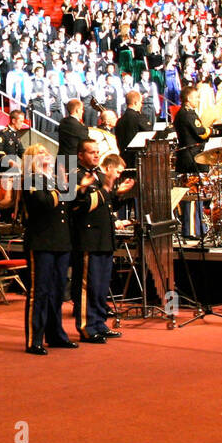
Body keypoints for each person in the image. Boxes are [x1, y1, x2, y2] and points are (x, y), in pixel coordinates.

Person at [69, 142, 134, 343]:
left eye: (98, 152)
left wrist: (117, 193)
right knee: (88, 285)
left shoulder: (97, 174)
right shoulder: (77, 176)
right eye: (92, 152)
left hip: (103, 236)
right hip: (88, 238)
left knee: (101, 285)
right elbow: (83, 205)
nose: (96, 155)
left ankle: (99, 323)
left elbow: (105, 203)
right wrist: (107, 189)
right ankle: (87, 327)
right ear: (81, 155)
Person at [19, 145, 78, 355]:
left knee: (57, 291)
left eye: (47, 152)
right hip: (41, 241)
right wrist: (64, 188)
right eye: (40, 153)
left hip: (61, 241)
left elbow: (69, 206)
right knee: (39, 292)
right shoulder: (30, 179)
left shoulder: (55, 180)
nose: (46, 155)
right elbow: (43, 202)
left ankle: (56, 335)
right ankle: (34, 339)